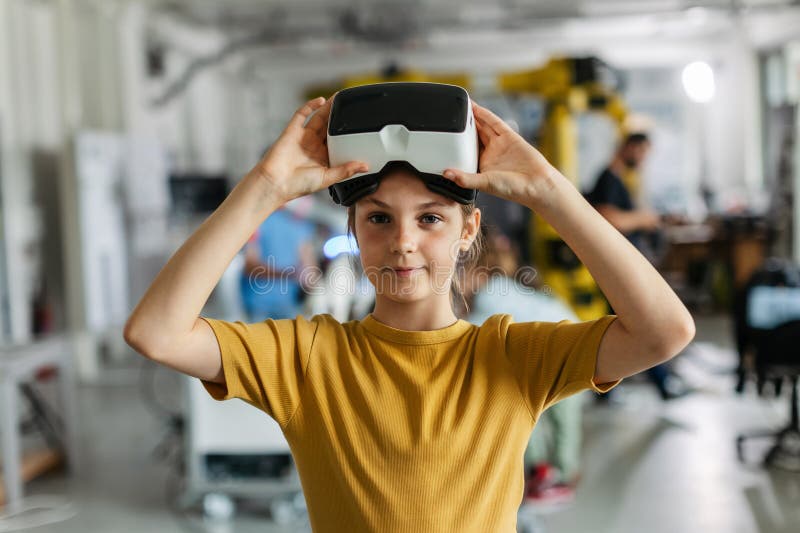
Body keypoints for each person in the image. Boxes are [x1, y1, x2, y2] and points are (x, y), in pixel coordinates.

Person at [124, 95, 695, 532]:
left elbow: (665, 331)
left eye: (430, 218)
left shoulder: (513, 355)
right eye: (378, 219)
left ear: (468, 229)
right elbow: (156, 332)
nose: (402, 242)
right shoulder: (307, 358)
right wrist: (267, 187)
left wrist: (549, 190)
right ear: (353, 230)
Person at [461, 227, 585, 506]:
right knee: (544, 416)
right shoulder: (509, 286)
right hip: (567, 345)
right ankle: (552, 472)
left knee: (549, 418)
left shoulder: (491, 293)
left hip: (566, 351)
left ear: (478, 272)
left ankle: (562, 473)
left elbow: (475, 332)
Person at [586, 132, 691, 401]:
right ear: (629, 147)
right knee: (642, 321)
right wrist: (643, 218)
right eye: (642, 152)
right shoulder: (608, 178)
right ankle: (661, 384)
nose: (643, 159)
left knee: (627, 324)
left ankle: (611, 389)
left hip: (619, 263)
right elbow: (607, 218)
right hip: (614, 265)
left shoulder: (619, 179)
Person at [240, 204, 318, 321]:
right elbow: (249, 266)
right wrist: (286, 273)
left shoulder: (303, 227)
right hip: (258, 307)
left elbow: (309, 273)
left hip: (289, 307)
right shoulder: (258, 221)